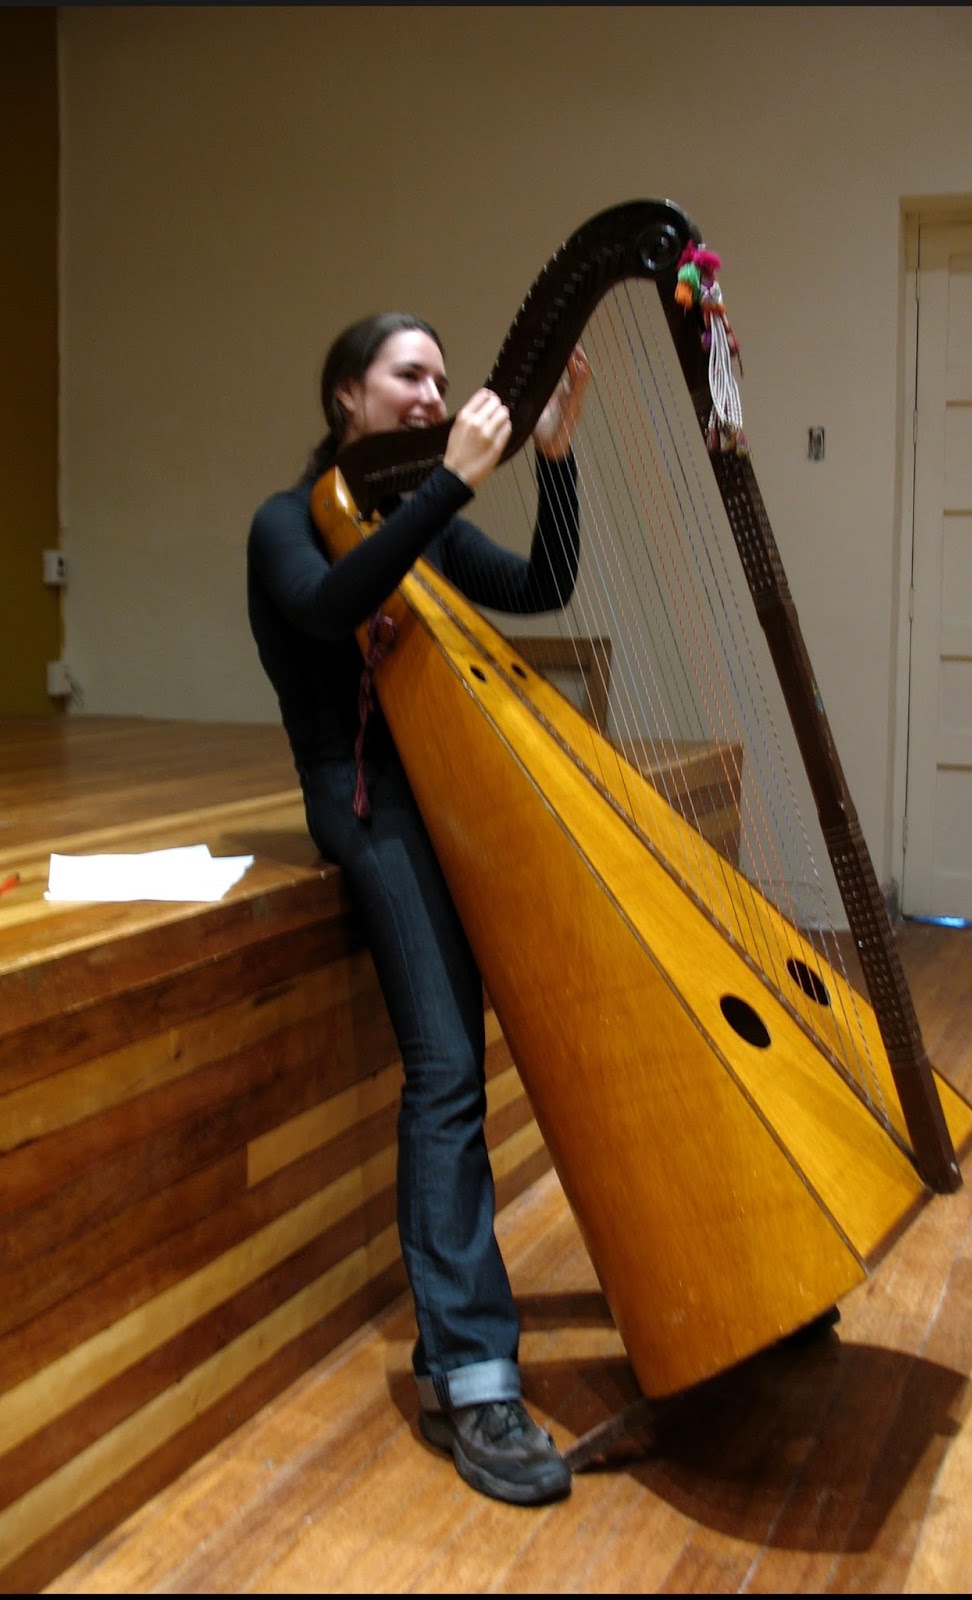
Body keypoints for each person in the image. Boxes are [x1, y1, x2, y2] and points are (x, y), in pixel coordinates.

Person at [247, 313, 591, 1506]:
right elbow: (330, 602)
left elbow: (544, 584)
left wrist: (557, 461)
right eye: (410, 373)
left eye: (442, 377)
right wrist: (450, 484)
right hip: (363, 801)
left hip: (447, 787)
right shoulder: (286, 522)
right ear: (347, 392)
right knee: (446, 1066)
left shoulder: (424, 519)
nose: (433, 391)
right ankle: (470, 1376)